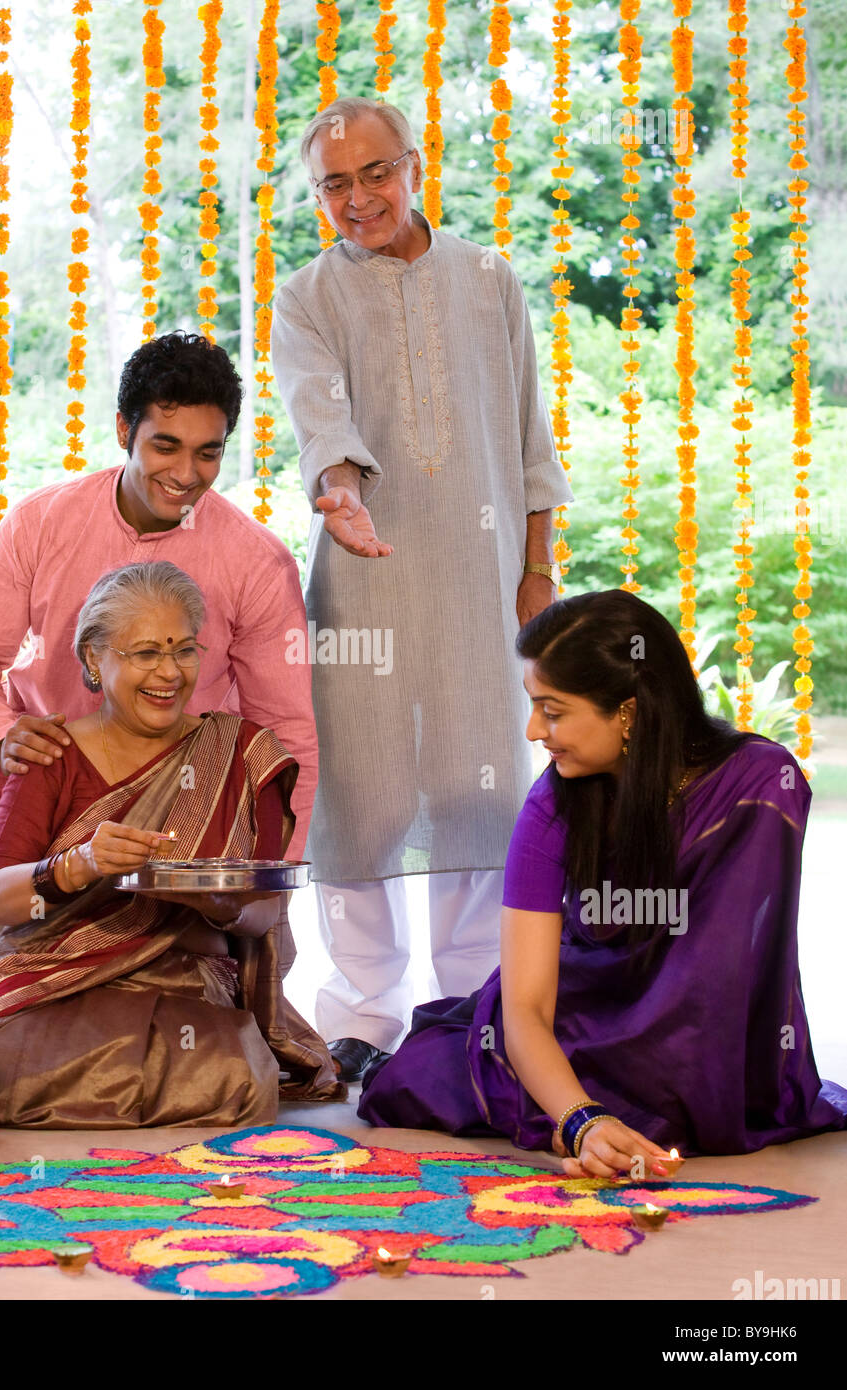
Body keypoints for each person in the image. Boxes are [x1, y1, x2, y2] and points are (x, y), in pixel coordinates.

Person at [271, 96, 573, 1081]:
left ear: (414, 164)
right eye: (334, 185)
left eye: (375, 174)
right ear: (315, 195)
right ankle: (360, 1017)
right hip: (360, 579)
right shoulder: (309, 293)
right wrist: (340, 491)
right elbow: (318, 410)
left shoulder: (488, 278)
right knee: (360, 794)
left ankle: (470, 1009)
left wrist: (537, 565)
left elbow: (530, 433)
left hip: (478, 576)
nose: (358, 199)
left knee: (473, 783)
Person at [358, 590, 847, 1163]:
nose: (533, 731)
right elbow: (527, 1008)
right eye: (533, 706)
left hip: (707, 1032)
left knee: (682, 1096)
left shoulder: (760, 787)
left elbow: (731, 970)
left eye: (554, 710)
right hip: (583, 1017)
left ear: (629, 712)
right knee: (412, 1079)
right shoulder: (553, 806)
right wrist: (580, 1119)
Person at [0, 331, 317, 987]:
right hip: (42, 758)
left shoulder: (255, 559)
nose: (186, 474)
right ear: (124, 429)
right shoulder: (40, 524)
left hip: (186, 779)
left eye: (207, 453)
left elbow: (289, 730)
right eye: (165, 445)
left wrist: (273, 877)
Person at [0, 562, 343, 1126]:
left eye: (184, 650)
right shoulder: (51, 754)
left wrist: (220, 901)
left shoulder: (241, 752)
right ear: (93, 659)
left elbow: (263, 918)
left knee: (225, 1075)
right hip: (51, 977)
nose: (170, 673)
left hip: (183, 984)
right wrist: (77, 865)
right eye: (145, 654)